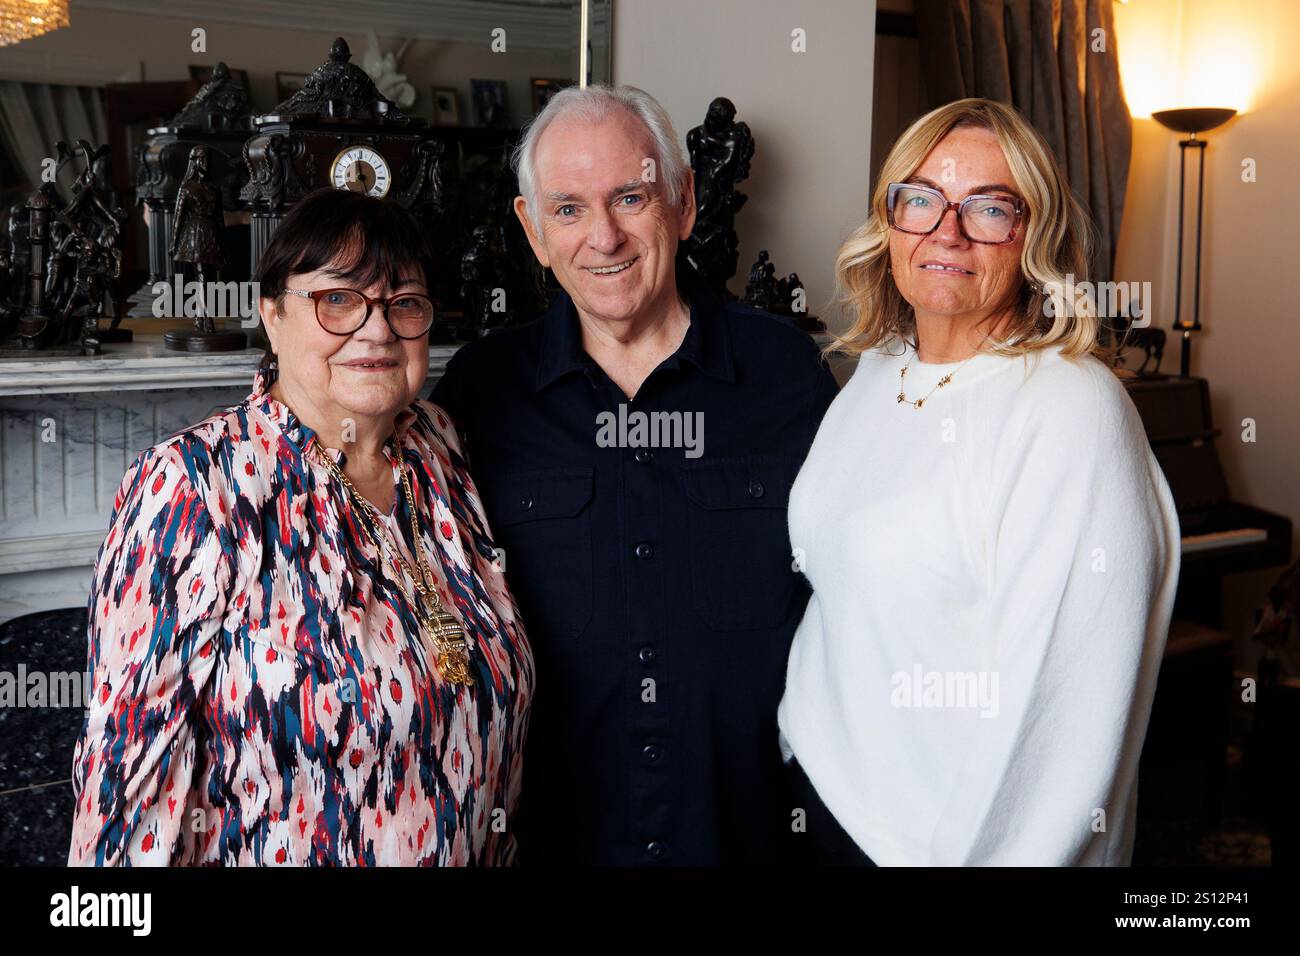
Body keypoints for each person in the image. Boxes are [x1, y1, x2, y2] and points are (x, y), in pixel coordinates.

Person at [431, 84, 839, 865]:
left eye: (630, 197)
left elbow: (859, 600)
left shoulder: (788, 375)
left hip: (752, 840)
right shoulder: (479, 394)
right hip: (552, 846)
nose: (605, 237)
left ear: (683, 205)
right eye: (570, 209)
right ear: (534, 231)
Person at [68, 188, 533, 866]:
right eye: (337, 299)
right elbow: (127, 787)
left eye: (403, 303)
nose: (376, 331)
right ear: (273, 313)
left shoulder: (441, 448)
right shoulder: (193, 484)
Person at [778, 97, 1180, 866]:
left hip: (934, 846)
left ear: (1035, 235)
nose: (947, 232)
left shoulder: (1070, 411)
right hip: (821, 797)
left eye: (989, 208)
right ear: (890, 219)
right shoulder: (877, 369)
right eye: (922, 199)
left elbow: (1063, 719)